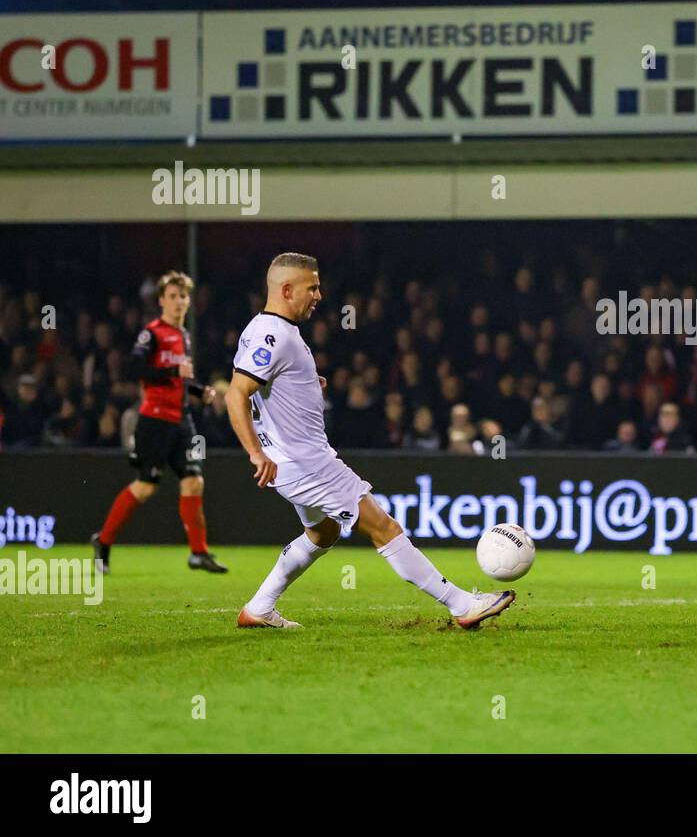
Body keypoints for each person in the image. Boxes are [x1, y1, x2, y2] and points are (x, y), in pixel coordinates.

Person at [224, 253, 513, 630]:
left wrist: (307, 388)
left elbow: (260, 385)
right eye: (312, 287)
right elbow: (236, 393)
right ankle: (462, 605)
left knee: (323, 531)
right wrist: (254, 453)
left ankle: (259, 607)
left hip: (291, 462)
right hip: (305, 463)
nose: (319, 295)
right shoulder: (274, 334)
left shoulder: (263, 329)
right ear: (286, 289)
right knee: (384, 527)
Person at [91, 271, 226, 575]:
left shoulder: (184, 337)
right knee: (145, 486)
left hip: (182, 420)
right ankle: (104, 540)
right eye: (174, 296)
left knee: (194, 481)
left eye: (184, 297)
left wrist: (198, 391)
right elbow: (133, 368)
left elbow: (179, 380)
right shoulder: (151, 334)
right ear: (162, 300)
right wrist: (173, 372)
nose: (180, 302)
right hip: (154, 421)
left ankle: (198, 552)